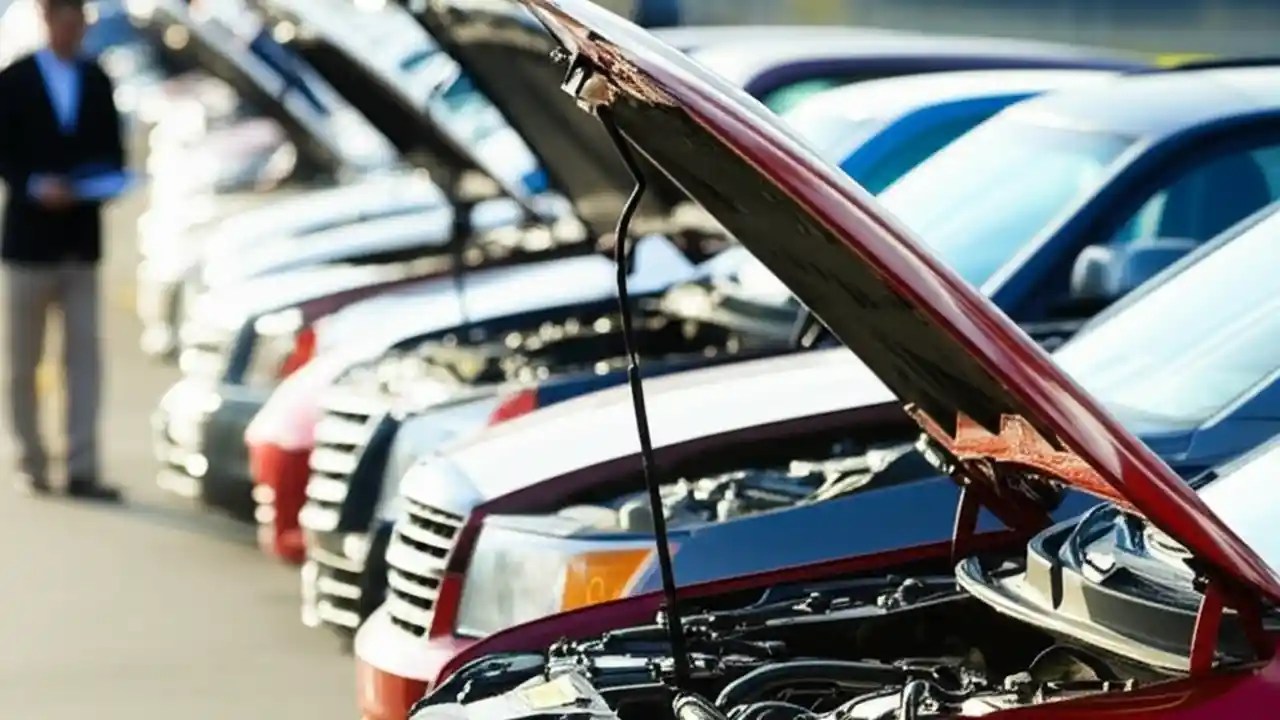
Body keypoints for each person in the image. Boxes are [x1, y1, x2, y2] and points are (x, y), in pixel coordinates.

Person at [0, 0, 126, 501]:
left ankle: (82, 466)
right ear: (46, 19)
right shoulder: (15, 79)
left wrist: (95, 184)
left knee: (83, 360)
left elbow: (113, 153)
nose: (72, 27)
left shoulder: (97, 79)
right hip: (30, 244)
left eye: (79, 18)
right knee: (24, 360)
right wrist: (33, 184)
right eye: (62, 17)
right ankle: (31, 459)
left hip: (79, 242)